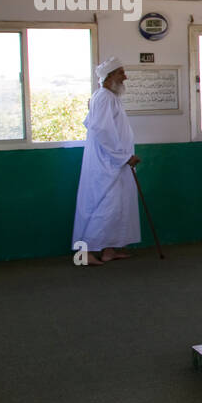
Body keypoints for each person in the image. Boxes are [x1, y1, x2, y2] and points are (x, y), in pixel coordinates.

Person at [72, 57, 141, 265]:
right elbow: (101, 130)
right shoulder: (103, 97)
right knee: (103, 206)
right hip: (107, 163)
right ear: (110, 77)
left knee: (116, 206)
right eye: (121, 72)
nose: (125, 77)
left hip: (114, 162)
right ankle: (85, 253)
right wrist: (124, 156)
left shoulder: (108, 97)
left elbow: (91, 122)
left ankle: (108, 250)